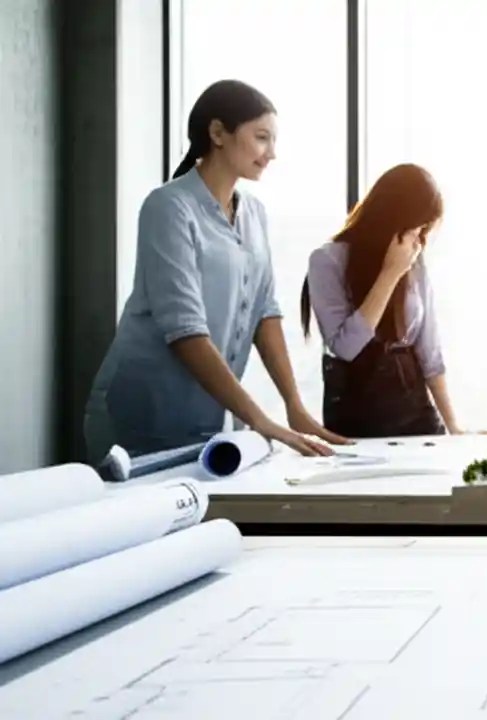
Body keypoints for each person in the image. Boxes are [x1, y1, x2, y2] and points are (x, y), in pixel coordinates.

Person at [84, 80, 345, 463]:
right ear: (218, 133)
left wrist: (294, 407)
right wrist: (259, 420)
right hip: (138, 415)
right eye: (261, 138)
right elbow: (184, 330)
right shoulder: (168, 208)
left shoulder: (254, 214)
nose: (271, 153)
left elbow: (264, 312)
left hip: (206, 420)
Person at [301, 163, 460, 438]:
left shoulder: (414, 260)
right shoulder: (327, 260)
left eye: (424, 232)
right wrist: (390, 274)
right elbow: (346, 347)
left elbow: (430, 353)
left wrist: (454, 428)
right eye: (415, 229)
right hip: (356, 414)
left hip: (415, 410)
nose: (418, 241)